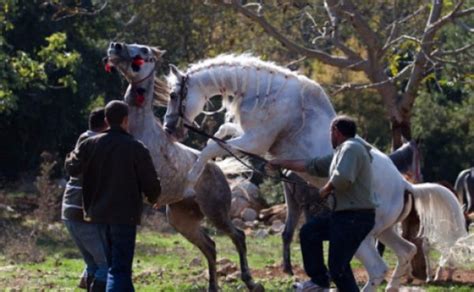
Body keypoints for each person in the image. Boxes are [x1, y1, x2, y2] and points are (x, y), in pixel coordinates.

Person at [269, 115, 376, 292]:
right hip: (344, 217)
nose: (329, 136)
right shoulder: (341, 153)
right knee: (310, 232)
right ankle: (319, 281)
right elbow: (311, 165)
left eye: (330, 132)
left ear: (335, 131)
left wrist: (324, 191)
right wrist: (280, 162)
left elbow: (342, 179)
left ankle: (322, 282)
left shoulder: (351, 148)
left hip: (355, 218)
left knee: (338, 268)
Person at [65, 100, 161, 291]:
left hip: (97, 215)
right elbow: (151, 182)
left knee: (112, 268)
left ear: (107, 120)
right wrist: (154, 198)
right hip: (125, 216)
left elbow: (72, 168)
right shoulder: (136, 147)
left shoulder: (89, 144)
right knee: (120, 270)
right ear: (126, 120)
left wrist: (72, 154)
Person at [62, 108, 108, 290]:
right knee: (105, 265)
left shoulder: (83, 139)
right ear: (106, 122)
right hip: (82, 213)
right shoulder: (97, 143)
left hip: (69, 211)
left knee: (93, 264)